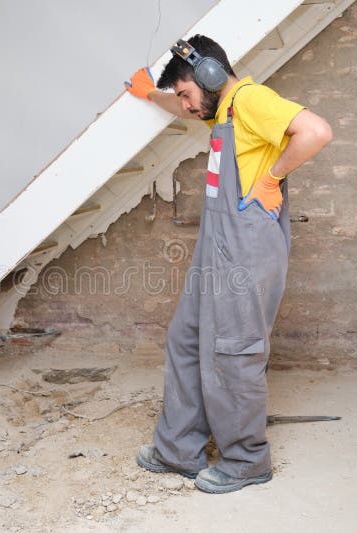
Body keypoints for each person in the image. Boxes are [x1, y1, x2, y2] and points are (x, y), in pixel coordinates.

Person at [124, 34, 332, 494]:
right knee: (186, 338)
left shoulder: (252, 100)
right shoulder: (224, 111)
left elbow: (316, 131)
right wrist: (150, 94)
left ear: (210, 75)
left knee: (234, 351)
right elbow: (185, 107)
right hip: (216, 244)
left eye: (186, 93)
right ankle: (178, 450)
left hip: (245, 246)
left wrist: (272, 179)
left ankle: (246, 461)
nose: (185, 106)